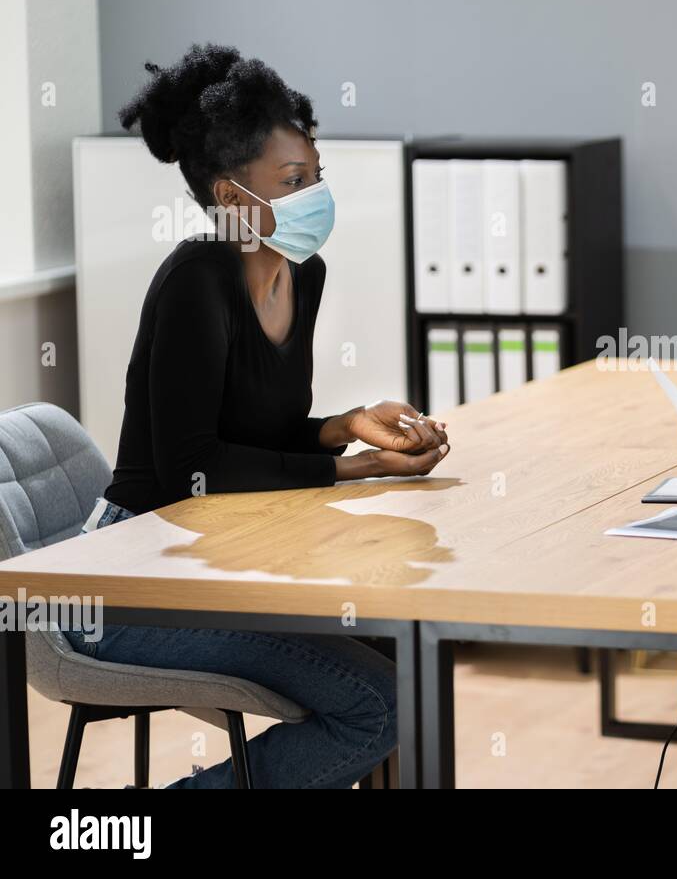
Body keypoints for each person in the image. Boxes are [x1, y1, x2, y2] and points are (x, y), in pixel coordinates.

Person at [64, 44, 450, 788]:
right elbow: (194, 469)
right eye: (294, 181)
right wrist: (348, 469)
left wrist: (348, 426)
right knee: (380, 704)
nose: (315, 197)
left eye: (317, 177)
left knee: (400, 647)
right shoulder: (195, 281)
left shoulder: (303, 273)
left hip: (215, 560)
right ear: (234, 197)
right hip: (127, 584)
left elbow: (260, 438)